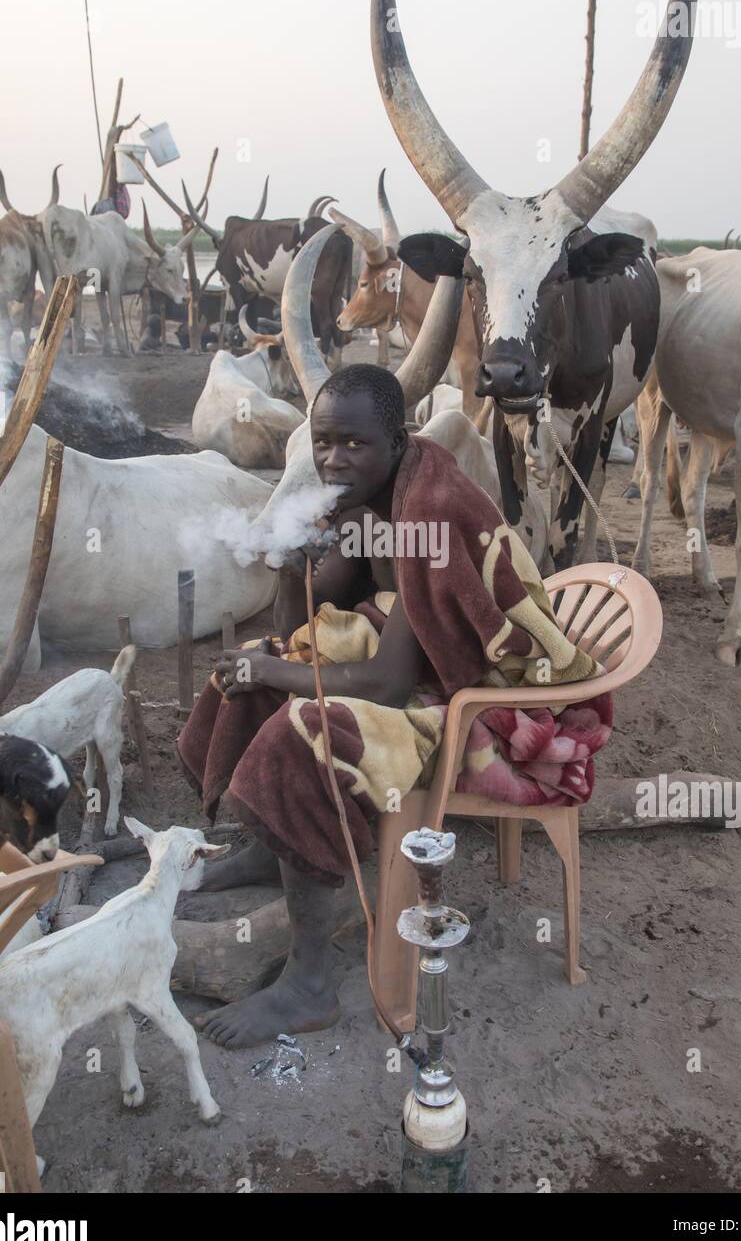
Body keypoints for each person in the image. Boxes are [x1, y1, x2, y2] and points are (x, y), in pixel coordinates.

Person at [177, 363, 607, 1049]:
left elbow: (385, 684)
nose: (333, 458)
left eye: (353, 444)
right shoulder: (365, 497)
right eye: (322, 442)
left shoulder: (427, 510)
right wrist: (294, 567)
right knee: (260, 668)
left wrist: (277, 668)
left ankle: (310, 985)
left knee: (307, 734)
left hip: (480, 693)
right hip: (412, 663)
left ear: (397, 439)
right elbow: (307, 621)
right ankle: (272, 846)